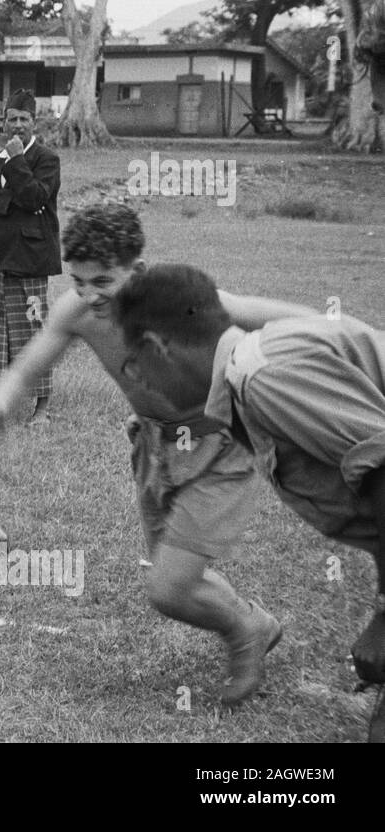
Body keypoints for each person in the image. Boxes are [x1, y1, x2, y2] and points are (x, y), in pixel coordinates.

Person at [0, 205, 318, 706]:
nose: (89, 294)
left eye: (103, 281)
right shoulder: (77, 311)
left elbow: (273, 315)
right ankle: (256, 623)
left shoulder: (174, 301)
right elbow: (29, 363)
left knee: (168, 588)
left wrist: (349, 336)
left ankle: (245, 633)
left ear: (135, 272)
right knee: (172, 570)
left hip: (221, 444)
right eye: (78, 281)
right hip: (155, 446)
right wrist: (4, 398)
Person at [113, 264, 385, 741]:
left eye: (134, 363)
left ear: (158, 347)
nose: (140, 381)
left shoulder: (264, 377)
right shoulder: (251, 372)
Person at [0, 88, 62, 426]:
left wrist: (18, 161)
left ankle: (41, 409)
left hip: (30, 258)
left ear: (33, 123)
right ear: (4, 121)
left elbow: (36, 197)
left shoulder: (46, 160)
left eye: (24, 120)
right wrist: (9, 200)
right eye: (12, 119)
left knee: (33, 329)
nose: (17, 125)